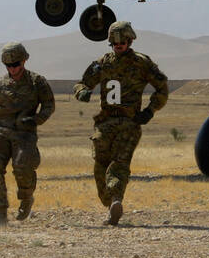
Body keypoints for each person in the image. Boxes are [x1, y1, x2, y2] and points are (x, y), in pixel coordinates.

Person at [72, 21, 168, 225]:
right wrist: (82, 93)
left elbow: (162, 87)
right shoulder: (102, 63)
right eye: (114, 42)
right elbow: (81, 83)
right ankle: (110, 204)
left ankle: (116, 200)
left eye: (122, 41)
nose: (118, 45)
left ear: (130, 40)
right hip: (105, 123)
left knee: (119, 164)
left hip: (129, 123)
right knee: (100, 167)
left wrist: (149, 111)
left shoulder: (142, 63)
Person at [0, 42, 56, 225]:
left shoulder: (37, 82)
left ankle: (26, 198)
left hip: (24, 133)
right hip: (0, 131)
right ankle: (0, 212)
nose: (13, 68)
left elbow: (49, 104)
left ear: (24, 60)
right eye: (9, 65)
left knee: (23, 163)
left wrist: (37, 119)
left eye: (16, 64)